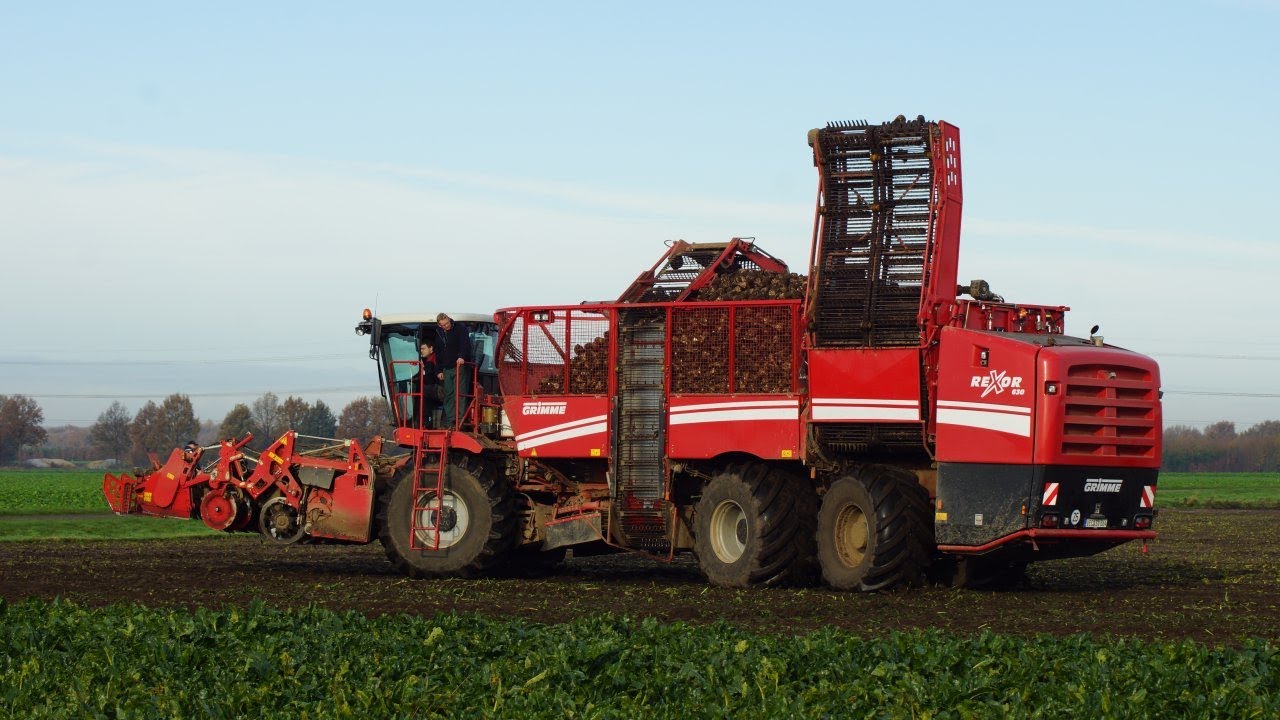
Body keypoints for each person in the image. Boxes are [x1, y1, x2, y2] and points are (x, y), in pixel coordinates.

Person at [433, 313, 471, 428]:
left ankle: (460, 421)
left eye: (447, 323)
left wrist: (462, 356)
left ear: (449, 320)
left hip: (459, 366)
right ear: (440, 325)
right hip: (446, 368)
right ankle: (450, 420)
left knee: (460, 393)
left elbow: (465, 344)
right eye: (444, 325)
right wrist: (439, 370)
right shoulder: (439, 334)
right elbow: (438, 353)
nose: (447, 326)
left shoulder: (460, 328)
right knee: (448, 394)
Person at [417, 342, 440, 427]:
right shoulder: (428, 360)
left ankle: (426, 420)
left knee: (422, 391)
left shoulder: (432, 360)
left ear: (431, 349)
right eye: (420, 349)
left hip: (439, 388)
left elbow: (430, 378)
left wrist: (418, 379)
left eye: (423, 348)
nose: (421, 351)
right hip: (435, 387)